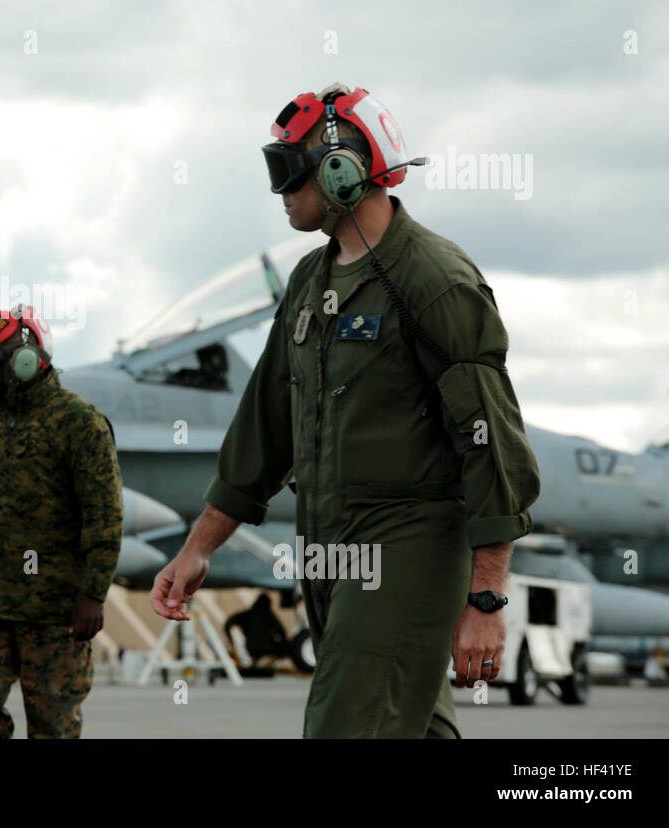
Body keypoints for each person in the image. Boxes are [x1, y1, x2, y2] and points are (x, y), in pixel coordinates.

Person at [151, 83, 540, 738]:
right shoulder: (309, 282)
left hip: (406, 547)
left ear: (342, 171)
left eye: (287, 170)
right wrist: (197, 549)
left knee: (346, 725)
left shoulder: (434, 280)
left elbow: (489, 441)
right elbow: (265, 428)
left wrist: (486, 599)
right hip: (326, 549)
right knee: (408, 726)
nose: (280, 190)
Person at [0, 305, 124, 738]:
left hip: (55, 610)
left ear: (24, 361)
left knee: (53, 723)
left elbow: (105, 515)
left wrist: (92, 594)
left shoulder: (80, 423)